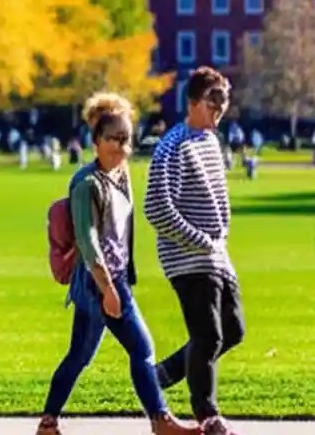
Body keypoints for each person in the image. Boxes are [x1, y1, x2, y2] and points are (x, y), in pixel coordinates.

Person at [38, 95, 200, 435]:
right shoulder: (87, 184)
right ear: (96, 141)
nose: (120, 146)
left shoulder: (120, 176)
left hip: (105, 282)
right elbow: (88, 240)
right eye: (112, 138)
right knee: (142, 349)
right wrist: (109, 290)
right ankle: (161, 421)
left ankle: (48, 422)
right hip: (100, 283)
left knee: (79, 357)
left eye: (126, 139)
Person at [144, 67, 245, 435]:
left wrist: (219, 242)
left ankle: (163, 374)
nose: (219, 108)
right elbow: (156, 208)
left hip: (216, 254)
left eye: (224, 100)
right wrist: (199, 240)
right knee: (209, 337)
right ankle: (207, 415)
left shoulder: (210, 143)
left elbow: (217, 203)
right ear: (192, 103)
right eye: (212, 101)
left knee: (233, 331)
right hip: (187, 258)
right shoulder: (174, 145)